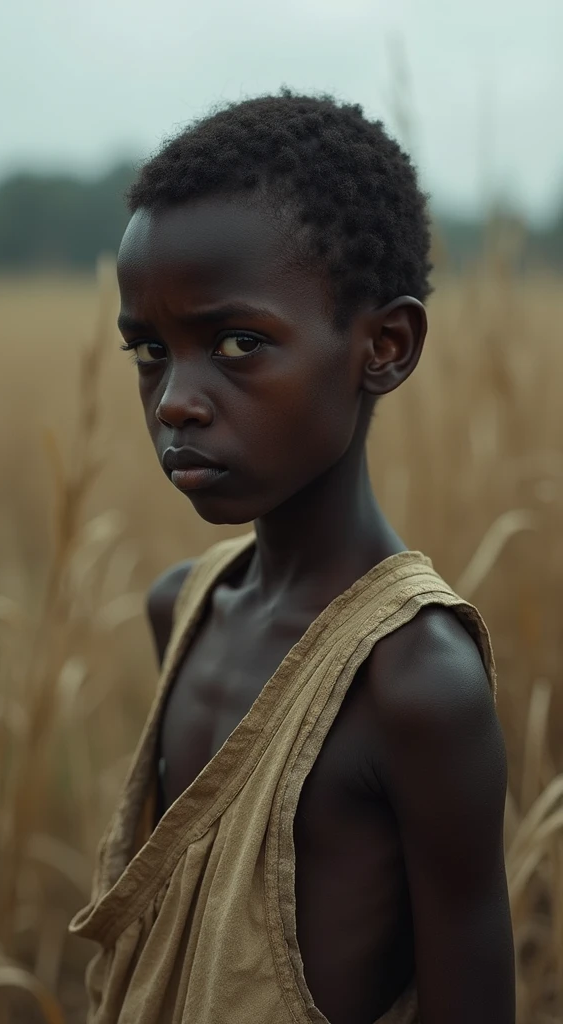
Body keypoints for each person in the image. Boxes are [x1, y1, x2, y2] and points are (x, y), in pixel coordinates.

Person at [70, 91, 515, 1024]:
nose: (174, 402)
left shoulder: (417, 681)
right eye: (149, 350)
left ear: (383, 348)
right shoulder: (184, 607)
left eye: (238, 343)